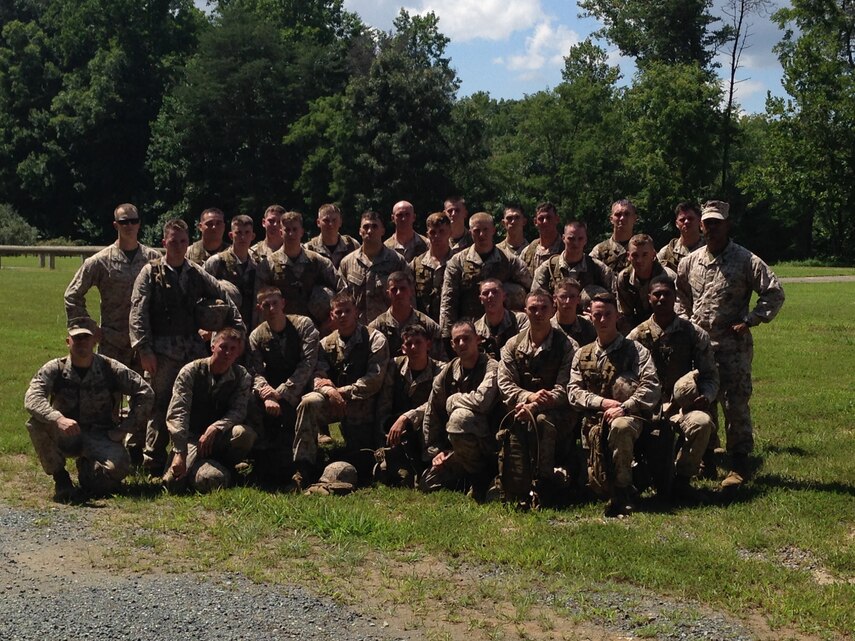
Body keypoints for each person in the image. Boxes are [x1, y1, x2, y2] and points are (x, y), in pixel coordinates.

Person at [677, 200, 784, 489]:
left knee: (735, 404)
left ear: (727, 224)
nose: (712, 227)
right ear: (701, 225)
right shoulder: (690, 261)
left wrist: (750, 320)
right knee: (701, 401)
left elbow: (773, 293)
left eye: (717, 222)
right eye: (707, 222)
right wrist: (687, 324)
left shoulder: (746, 260)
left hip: (733, 347)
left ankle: (739, 464)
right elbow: (680, 296)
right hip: (701, 348)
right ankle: (707, 459)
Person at [130, 218, 244, 474]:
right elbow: (138, 311)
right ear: (164, 243)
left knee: (190, 402)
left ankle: (184, 453)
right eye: (174, 241)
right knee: (159, 403)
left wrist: (238, 329)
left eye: (183, 241)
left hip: (191, 348)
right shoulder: (151, 272)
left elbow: (223, 295)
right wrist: (144, 349)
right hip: (161, 349)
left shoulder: (195, 272)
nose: (179, 246)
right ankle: (153, 459)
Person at [25, 318, 153, 502]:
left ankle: (88, 470)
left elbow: (145, 393)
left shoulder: (110, 368)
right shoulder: (55, 368)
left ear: (95, 341)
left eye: (86, 337)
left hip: (101, 435)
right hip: (66, 433)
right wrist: (57, 418)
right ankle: (61, 478)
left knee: (119, 469)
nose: (82, 342)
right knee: (36, 422)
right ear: (68, 342)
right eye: (77, 338)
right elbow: (32, 397)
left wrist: (124, 428)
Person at [568, 293, 660, 517]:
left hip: (630, 417)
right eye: (597, 315)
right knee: (596, 486)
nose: (602, 320)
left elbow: (651, 385)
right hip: (593, 422)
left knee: (620, 426)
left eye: (607, 314)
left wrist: (625, 406)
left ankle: (622, 491)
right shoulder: (582, 353)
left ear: (617, 316)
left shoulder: (635, 350)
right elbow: (573, 391)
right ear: (589, 316)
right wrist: (601, 403)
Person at [627, 274, 718, 501]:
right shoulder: (636, 337)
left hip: (681, 408)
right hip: (647, 407)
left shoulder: (693, 334)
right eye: (656, 294)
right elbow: (625, 377)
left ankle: (683, 479)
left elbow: (711, 376)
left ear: (675, 298)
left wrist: (705, 396)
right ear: (649, 298)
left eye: (667, 294)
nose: (661, 298)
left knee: (702, 422)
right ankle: (639, 473)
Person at [292, 292, 389, 486]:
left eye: (347, 311)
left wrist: (340, 391)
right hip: (332, 401)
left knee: (362, 457)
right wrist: (329, 392)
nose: (343, 315)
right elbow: (318, 375)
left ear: (357, 313)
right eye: (338, 312)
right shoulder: (325, 344)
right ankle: (304, 466)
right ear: (331, 316)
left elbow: (374, 379)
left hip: (365, 404)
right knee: (309, 402)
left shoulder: (375, 339)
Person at [496, 290, 578, 504]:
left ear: (552, 309)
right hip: (522, 409)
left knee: (541, 422)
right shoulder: (512, 345)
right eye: (533, 308)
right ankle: (513, 484)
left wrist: (535, 407)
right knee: (513, 426)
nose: (538, 313)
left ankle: (545, 483)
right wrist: (529, 398)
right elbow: (505, 384)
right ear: (525, 311)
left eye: (543, 308)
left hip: (560, 415)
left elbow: (566, 388)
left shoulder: (568, 346)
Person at [64, 203, 161, 369]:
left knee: (146, 393)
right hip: (112, 343)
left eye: (133, 221)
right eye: (124, 222)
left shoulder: (154, 259)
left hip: (145, 342)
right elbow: (72, 295)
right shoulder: (101, 261)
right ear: (116, 225)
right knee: (108, 394)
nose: (129, 225)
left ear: (139, 223)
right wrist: (90, 328)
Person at [162, 327, 257, 493]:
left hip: (219, 436)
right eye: (223, 347)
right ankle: (203, 468)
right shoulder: (191, 371)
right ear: (213, 346)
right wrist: (179, 452)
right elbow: (178, 412)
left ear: (238, 353)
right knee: (173, 484)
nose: (227, 353)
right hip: (191, 438)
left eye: (233, 349)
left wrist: (216, 427)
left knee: (244, 434)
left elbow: (239, 411)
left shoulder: (242, 376)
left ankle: (225, 466)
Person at [421, 320, 499, 498]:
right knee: (428, 482)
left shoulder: (491, 366)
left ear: (477, 339)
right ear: (452, 344)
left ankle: (481, 477)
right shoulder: (448, 371)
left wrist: (454, 400)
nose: (462, 344)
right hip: (459, 444)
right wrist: (435, 451)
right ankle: (465, 476)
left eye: (466, 338)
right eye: (457, 340)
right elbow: (432, 412)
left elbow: (482, 401)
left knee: (459, 418)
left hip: (489, 443)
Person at [246, 286, 319, 477]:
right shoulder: (256, 336)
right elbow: (256, 371)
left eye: (275, 303)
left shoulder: (303, 325)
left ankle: (304, 464)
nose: (271, 309)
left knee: (309, 402)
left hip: (301, 387)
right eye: (266, 305)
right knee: (250, 400)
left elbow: (308, 363)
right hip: (272, 392)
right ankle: (261, 456)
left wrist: (282, 392)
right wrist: (266, 393)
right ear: (259, 308)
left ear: (283, 304)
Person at [438, 212, 532, 339]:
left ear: (493, 230)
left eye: (485, 230)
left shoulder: (509, 260)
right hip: (470, 332)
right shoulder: (458, 262)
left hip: (506, 330)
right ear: (470, 232)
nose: (481, 235)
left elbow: (531, 290)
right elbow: (448, 300)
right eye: (477, 231)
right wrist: (447, 335)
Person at [374, 324, 443, 486]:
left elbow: (436, 403)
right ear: (403, 348)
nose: (413, 347)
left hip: (430, 429)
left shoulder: (440, 370)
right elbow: (384, 404)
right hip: (400, 433)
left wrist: (407, 417)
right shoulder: (394, 366)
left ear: (428, 344)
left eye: (418, 342)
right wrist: (383, 434)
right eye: (408, 344)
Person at [257, 210, 342, 326]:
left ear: (302, 232)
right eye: (287, 230)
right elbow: (259, 301)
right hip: (281, 327)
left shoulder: (317, 261)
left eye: (295, 229)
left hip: (316, 328)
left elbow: (342, 289)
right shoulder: (268, 264)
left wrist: (331, 322)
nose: (291, 234)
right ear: (281, 232)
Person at [339, 210, 410, 324]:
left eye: (375, 226)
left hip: (389, 329)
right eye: (366, 227)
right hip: (357, 330)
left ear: (383, 231)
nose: (370, 231)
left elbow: (409, 298)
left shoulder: (397, 261)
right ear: (360, 231)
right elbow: (341, 301)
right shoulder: (347, 263)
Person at [369, 271, 444, 360]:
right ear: (387, 293)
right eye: (394, 290)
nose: (398, 293)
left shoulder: (429, 327)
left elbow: (441, 363)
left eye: (403, 288)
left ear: (411, 291)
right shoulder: (376, 328)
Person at [204, 214, 258, 331]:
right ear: (231, 235)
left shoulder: (258, 266)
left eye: (247, 233)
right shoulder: (217, 262)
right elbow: (201, 293)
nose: (242, 237)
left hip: (249, 328)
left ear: (253, 236)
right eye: (238, 233)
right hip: (222, 329)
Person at [532, 221, 615, 297]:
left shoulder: (599, 269)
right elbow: (535, 298)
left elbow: (613, 301)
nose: (575, 243)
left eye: (580, 239)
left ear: (586, 240)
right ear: (563, 238)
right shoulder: (547, 268)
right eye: (571, 239)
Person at [615, 234, 677, 333]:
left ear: (653, 255)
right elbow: (626, 315)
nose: (639, 260)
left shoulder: (668, 277)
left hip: (667, 323)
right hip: (637, 326)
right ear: (628, 256)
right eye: (635, 255)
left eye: (644, 255)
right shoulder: (624, 278)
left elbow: (677, 310)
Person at [411, 212, 452, 322]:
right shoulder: (416, 264)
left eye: (441, 231)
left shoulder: (457, 262)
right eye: (433, 232)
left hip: (452, 325)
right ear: (427, 235)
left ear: (449, 232)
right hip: (423, 327)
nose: (437, 236)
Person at [473, 278, 529, 361]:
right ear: (481, 299)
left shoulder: (520, 320)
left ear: (504, 296)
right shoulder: (475, 330)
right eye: (485, 293)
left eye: (495, 292)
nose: (490, 296)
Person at [590, 199, 638, 273]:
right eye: (618, 215)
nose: (622, 218)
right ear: (611, 219)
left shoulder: (642, 248)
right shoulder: (599, 251)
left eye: (627, 214)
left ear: (635, 219)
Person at [305, 203, 360, 268]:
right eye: (326, 220)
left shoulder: (352, 245)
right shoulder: (308, 249)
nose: (330, 224)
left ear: (340, 222)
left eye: (334, 220)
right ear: (318, 223)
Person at [658, 202, 705, 272]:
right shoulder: (666, 253)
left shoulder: (710, 248)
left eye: (690, 218)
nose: (686, 222)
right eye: (682, 220)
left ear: (699, 221)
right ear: (676, 224)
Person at [519, 202, 563, 275]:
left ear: (557, 219)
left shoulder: (566, 250)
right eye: (541, 219)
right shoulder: (527, 253)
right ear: (535, 222)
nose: (545, 222)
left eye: (549, 218)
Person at [551, 278, 597, 347]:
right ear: (554, 298)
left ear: (578, 299)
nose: (567, 301)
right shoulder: (547, 328)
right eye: (563, 296)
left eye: (572, 297)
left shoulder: (588, 327)